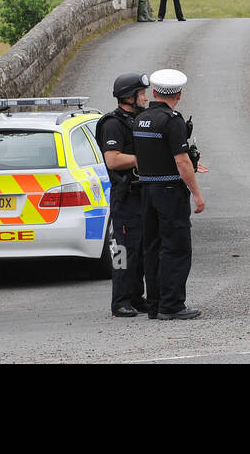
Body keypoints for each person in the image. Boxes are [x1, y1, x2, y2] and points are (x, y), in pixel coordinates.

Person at [132, 68, 208, 319]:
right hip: (169, 190)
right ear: (179, 94)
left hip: (147, 189)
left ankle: (154, 303)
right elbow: (182, 161)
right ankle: (172, 304)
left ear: (154, 92)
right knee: (176, 247)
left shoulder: (141, 119)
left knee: (152, 247)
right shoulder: (172, 120)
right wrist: (196, 193)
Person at [97, 72, 152, 317]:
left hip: (142, 193)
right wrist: (146, 160)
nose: (145, 97)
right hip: (125, 196)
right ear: (129, 97)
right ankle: (120, 301)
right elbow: (113, 159)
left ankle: (136, 297)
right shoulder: (112, 124)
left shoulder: (140, 119)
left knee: (141, 249)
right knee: (123, 251)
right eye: (141, 94)